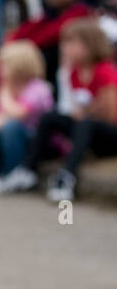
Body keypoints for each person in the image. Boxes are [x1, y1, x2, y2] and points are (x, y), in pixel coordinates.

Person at [28, 17, 117, 202]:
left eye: (70, 43)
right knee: (50, 118)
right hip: (88, 126)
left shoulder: (104, 71)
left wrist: (88, 112)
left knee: (85, 124)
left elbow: (111, 115)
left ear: (89, 45)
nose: (64, 48)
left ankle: (67, 176)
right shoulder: (74, 72)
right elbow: (74, 108)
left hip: (108, 134)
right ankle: (28, 170)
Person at [0, 41, 54, 194]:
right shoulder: (7, 88)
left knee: (10, 127)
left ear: (19, 66)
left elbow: (20, 113)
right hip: (11, 134)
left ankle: (15, 173)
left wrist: (3, 93)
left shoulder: (38, 88)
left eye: (4, 65)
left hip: (37, 141)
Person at [8, 0, 90, 92]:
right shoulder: (50, 14)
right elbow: (24, 31)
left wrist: (26, 44)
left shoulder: (80, 11)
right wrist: (15, 43)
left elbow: (53, 34)